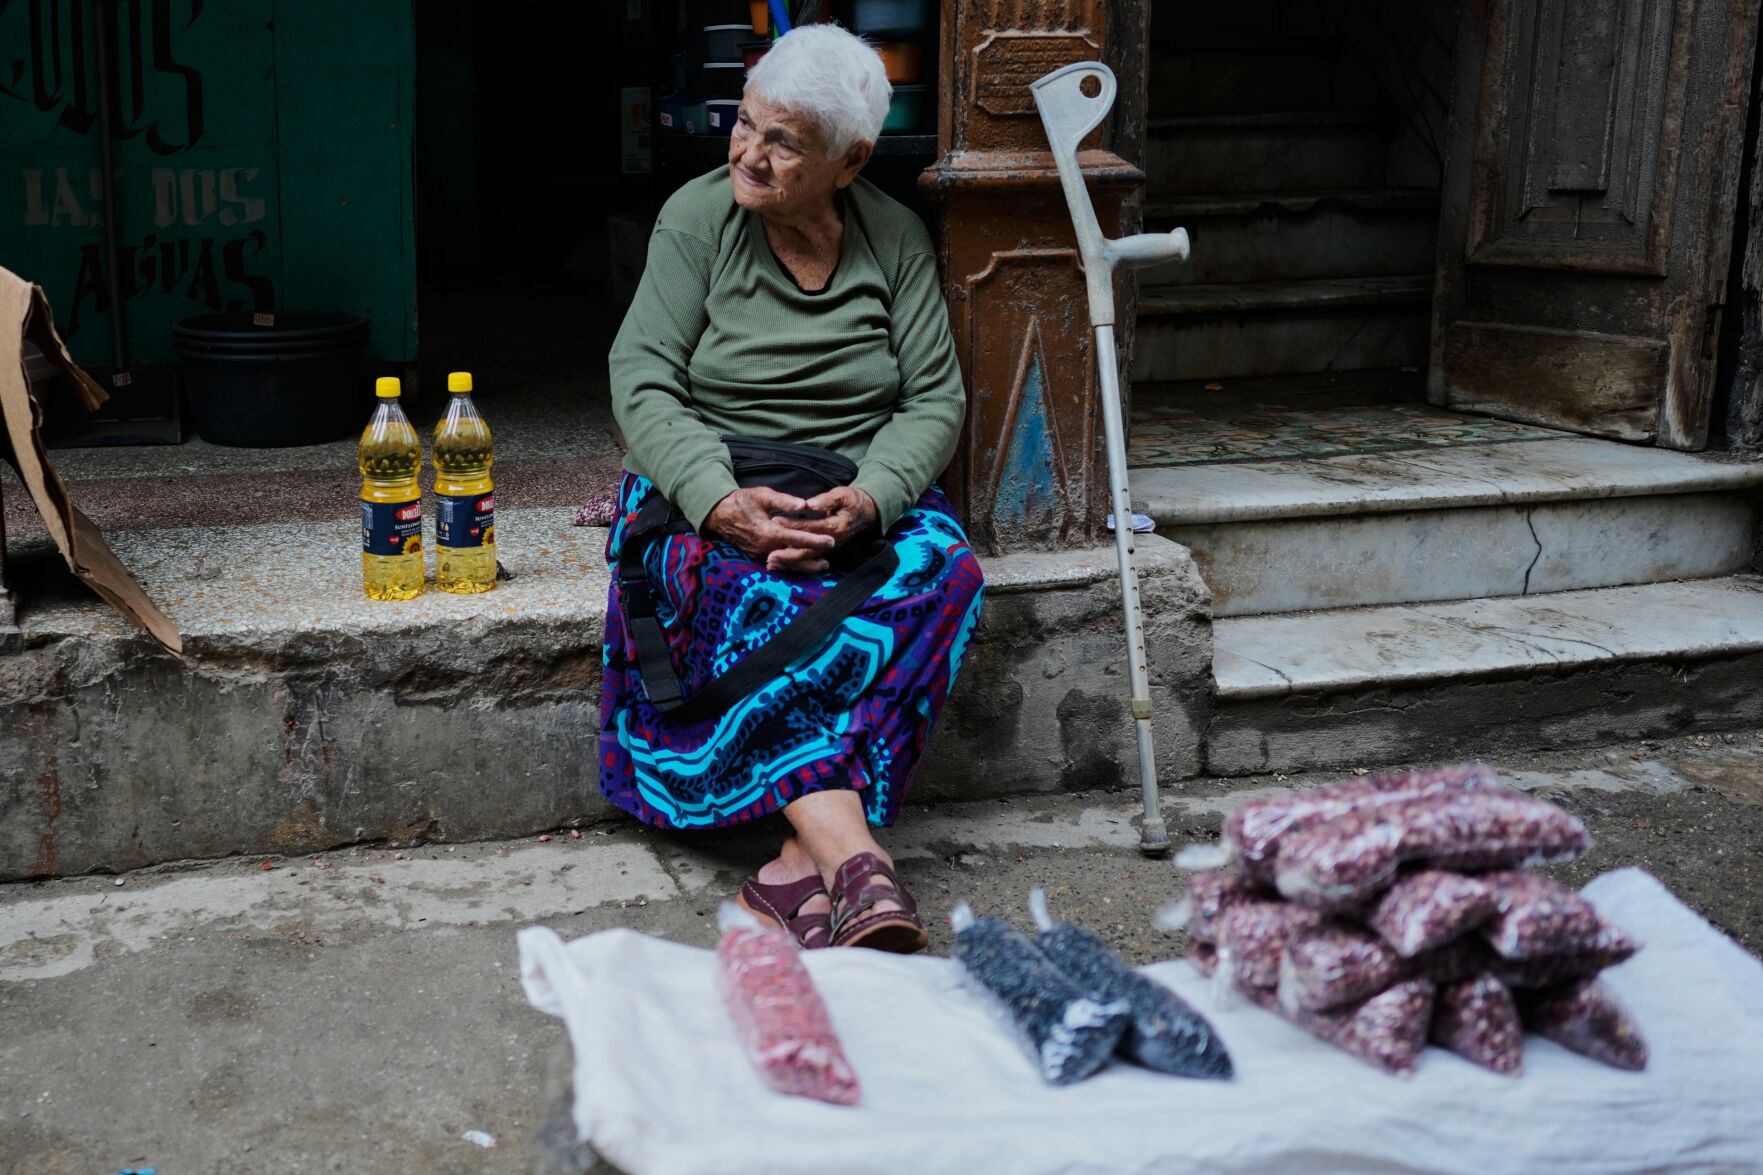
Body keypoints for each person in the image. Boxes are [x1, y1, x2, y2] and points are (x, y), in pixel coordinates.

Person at [600, 24, 984, 953]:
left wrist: (877, 496)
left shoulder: (890, 236)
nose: (748, 153)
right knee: (749, 593)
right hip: (715, 482)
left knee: (946, 572)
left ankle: (790, 868)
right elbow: (641, 376)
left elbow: (934, 395)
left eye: (782, 142)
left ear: (849, 160)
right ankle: (857, 863)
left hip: (848, 485)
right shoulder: (697, 219)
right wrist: (716, 498)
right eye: (745, 124)